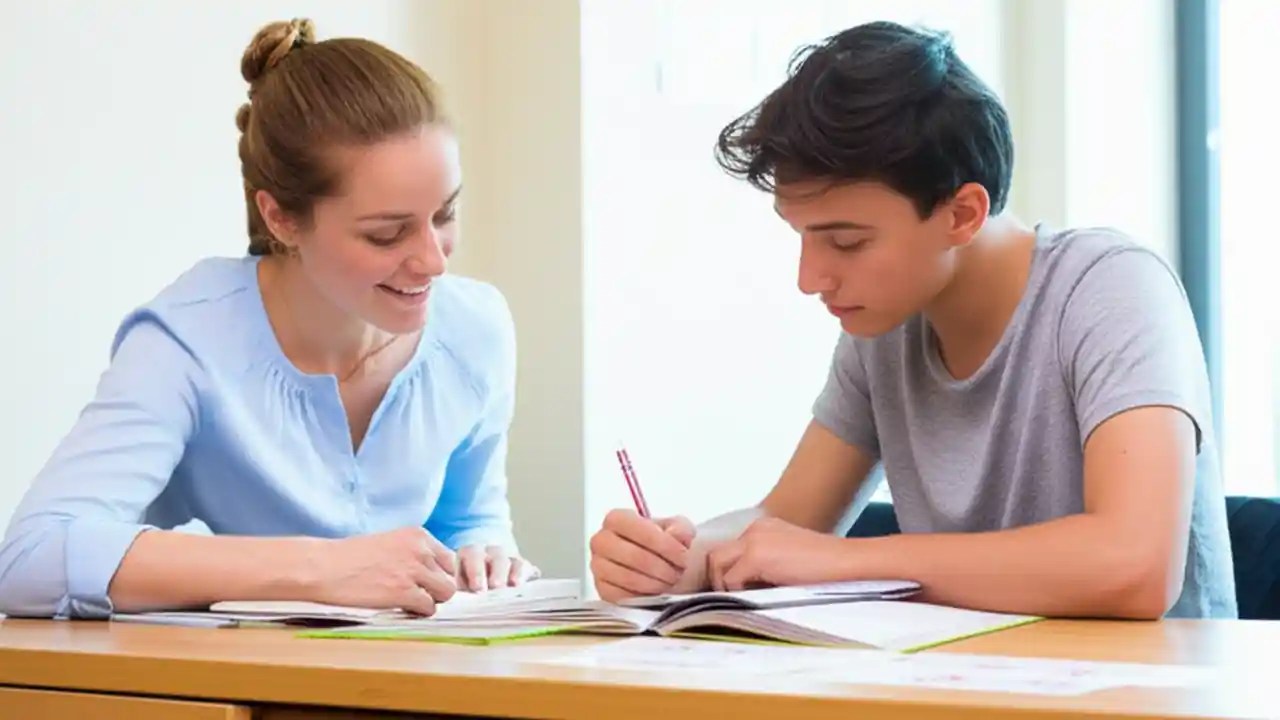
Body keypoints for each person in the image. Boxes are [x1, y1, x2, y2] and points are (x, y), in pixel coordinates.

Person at [588, 21, 1237, 619]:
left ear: (961, 214)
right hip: (964, 691)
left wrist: (845, 563)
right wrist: (682, 558)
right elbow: (781, 525)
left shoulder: (1111, 286)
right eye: (803, 238)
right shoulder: (887, 327)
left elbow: (1135, 566)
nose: (810, 278)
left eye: (845, 243)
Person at [0, 18, 536, 619]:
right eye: (386, 234)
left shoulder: (477, 329)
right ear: (281, 218)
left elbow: (467, 517)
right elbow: (31, 558)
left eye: (445, 214)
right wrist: (320, 569)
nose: (433, 261)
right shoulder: (188, 340)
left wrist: (482, 557)